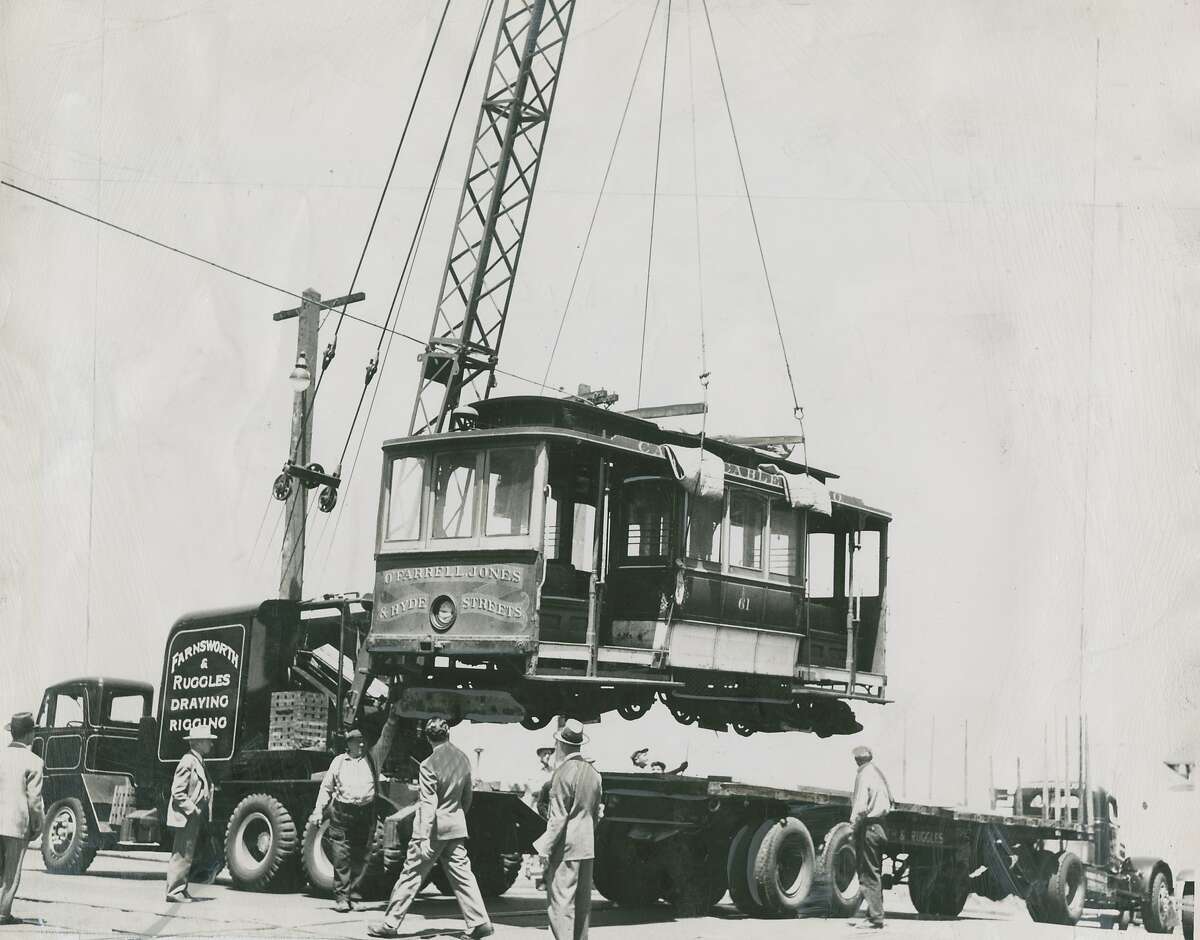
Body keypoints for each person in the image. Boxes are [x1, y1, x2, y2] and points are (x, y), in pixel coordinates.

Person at [368, 719, 493, 940]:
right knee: (463, 875)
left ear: (427, 738)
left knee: (411, 875)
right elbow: (467, 797)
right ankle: (479, 921)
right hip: (455, 827)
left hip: (433, 829)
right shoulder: (463, 759)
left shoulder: (428, 764)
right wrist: (455, 815)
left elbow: (428, 804)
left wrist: (424, 837)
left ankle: (390, 923)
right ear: (448, 735)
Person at [533, 719, 602, 940]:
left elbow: (558, 817)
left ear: (560, 745)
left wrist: (544, 848)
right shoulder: (594, 773)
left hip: (566, 845)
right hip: (587, 843)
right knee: (582, 904)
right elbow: (596, 810)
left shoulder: (562, 773)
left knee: (561, 902)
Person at [310, 728, 378, 913]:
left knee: (360, 855)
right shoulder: (339, 762)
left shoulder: (371, 761)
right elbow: (326, 788)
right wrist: (318, 811)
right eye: (357, 741)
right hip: (342, 813)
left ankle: (355, 896)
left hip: (364, 814)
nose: (361, 745)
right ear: (348, 744)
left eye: (363, 741)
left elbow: (385, 740)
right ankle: (341, 898)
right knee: (341, 856)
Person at [0, 712, 43, 925]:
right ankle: (2, 913)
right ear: (29, 735)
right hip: (16, 824)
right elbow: (34, 800)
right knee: (11, 871)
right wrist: (38, 825)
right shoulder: (34, 762)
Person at [165, 724, 216, 903]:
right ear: (199, 743)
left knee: (188, 854)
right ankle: (174, 892)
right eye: (208, 741)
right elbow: (177, 792)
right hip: (186, 816)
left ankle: (181, 889)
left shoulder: (197, 761)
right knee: (181, 855)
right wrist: (192, 809)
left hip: (192, 816)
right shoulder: (188, 761)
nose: (211, 744)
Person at [848, 745, 892, 930]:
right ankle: (876, 914)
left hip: (870, 827)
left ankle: (875, 918)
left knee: (867, 873)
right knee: (875, 872)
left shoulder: (863, 774)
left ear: (857, 760)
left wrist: (852, 827)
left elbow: (860, 805)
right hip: (880, 827)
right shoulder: (878, 773)